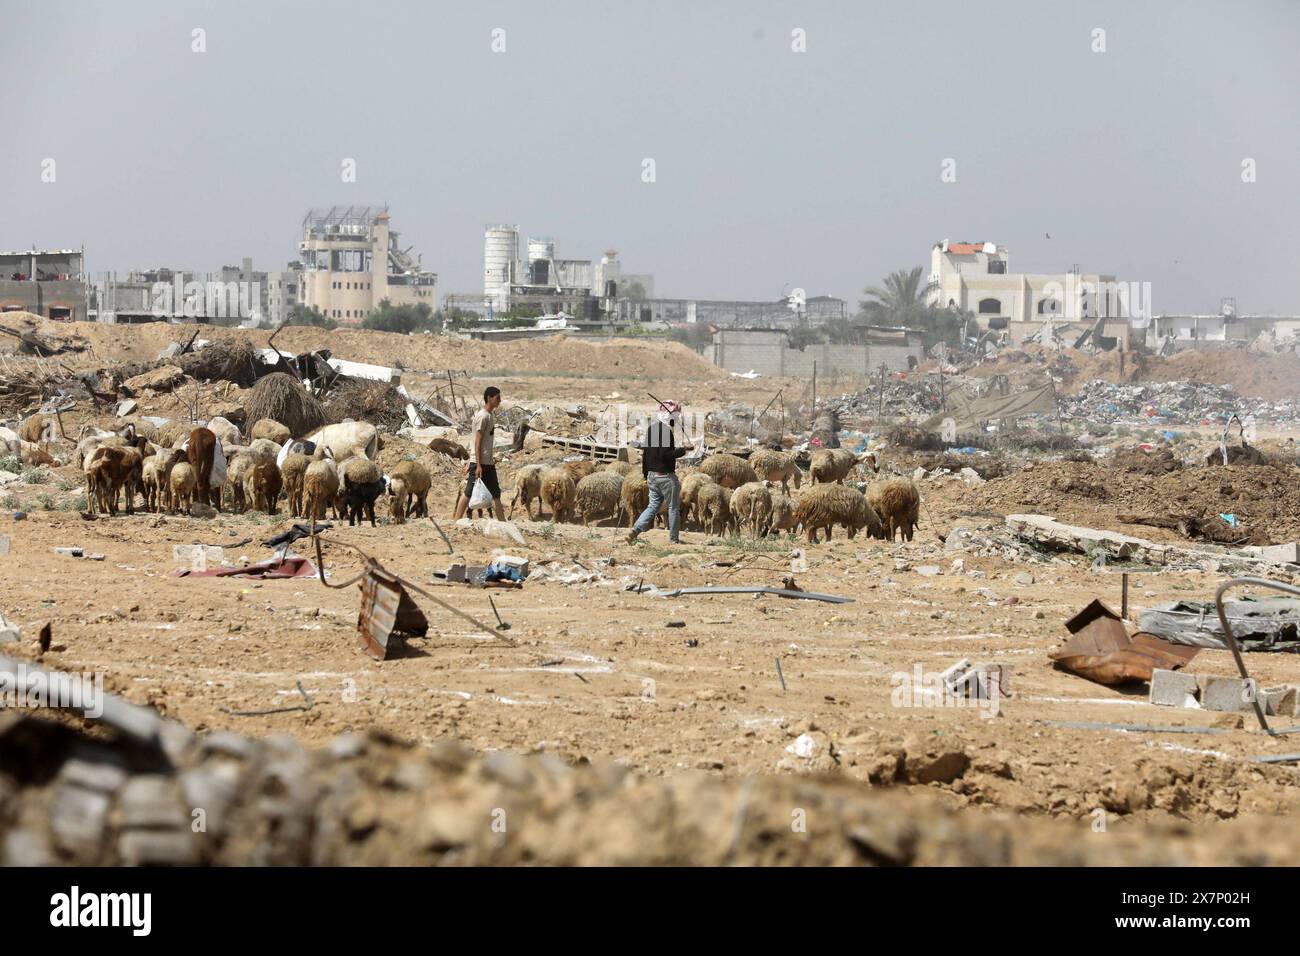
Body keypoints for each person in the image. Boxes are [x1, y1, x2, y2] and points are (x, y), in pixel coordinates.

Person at [627, 400, 689, 545]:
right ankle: (674, 539)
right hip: (666, 476)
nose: (677, 420)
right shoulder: (667, 432)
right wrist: (684, 450)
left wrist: (645, 474)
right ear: (672, 416)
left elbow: (647, 453)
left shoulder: (652, 429)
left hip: (652, 476)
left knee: (653, 506)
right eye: (676, 417)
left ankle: (635, 529)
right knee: (673, 507)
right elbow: (666, 455)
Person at [454, 386, 504, 520]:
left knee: (496, 493)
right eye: (497, 398)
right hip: (481, 463)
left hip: (486, 462)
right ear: (489, 398)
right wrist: (477, 465)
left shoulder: (489, 415)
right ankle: (456, 520)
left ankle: (503, 522)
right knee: (468, 492)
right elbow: (477, 441)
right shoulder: (483, 417)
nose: (500, 400)